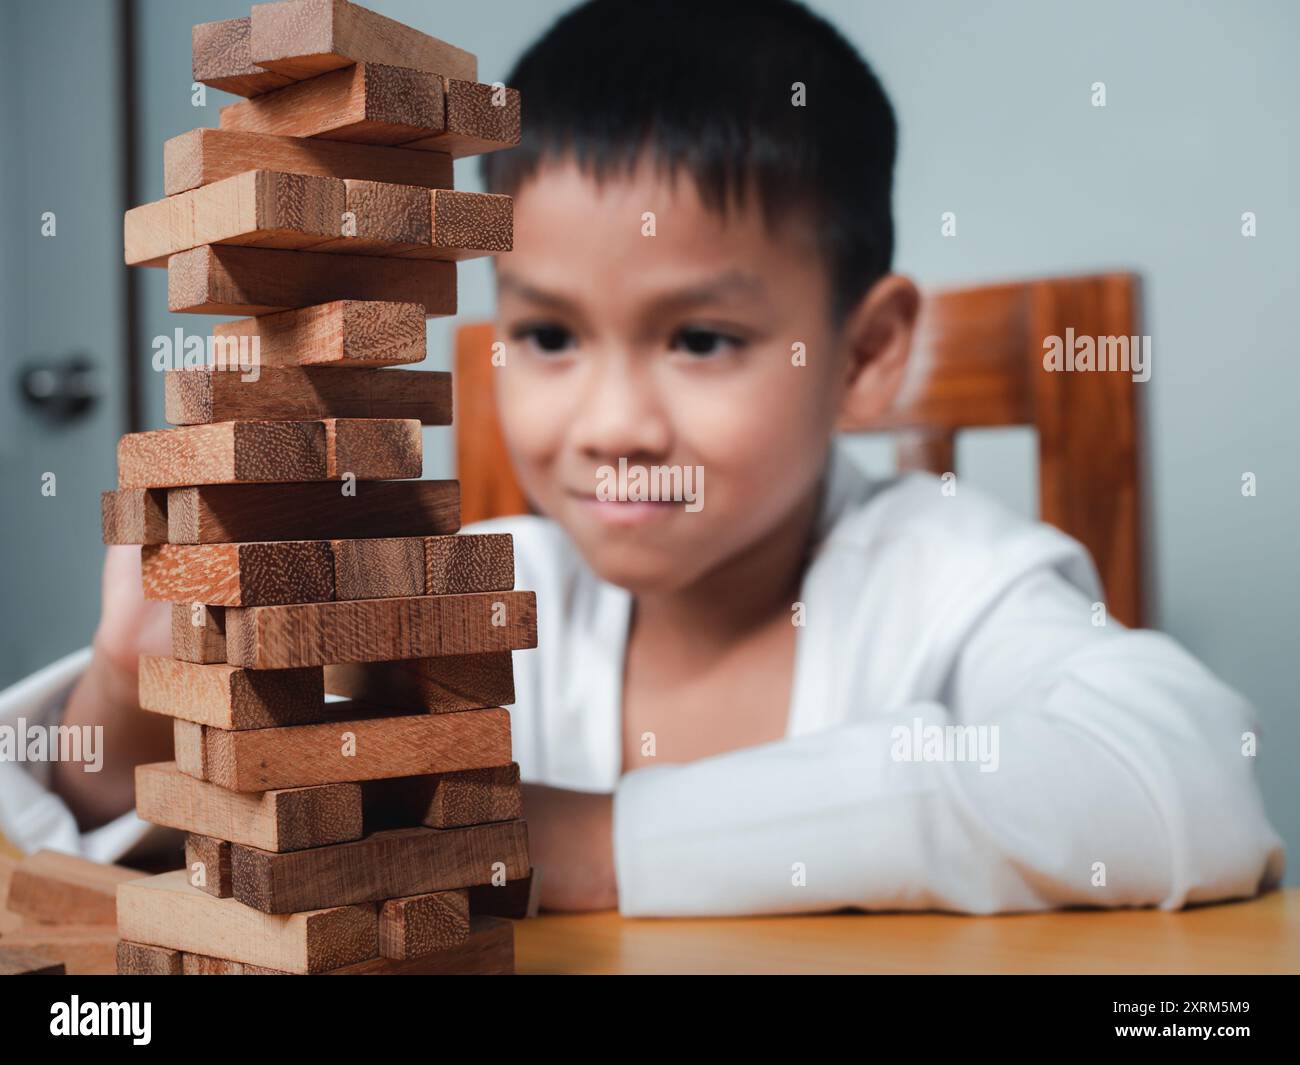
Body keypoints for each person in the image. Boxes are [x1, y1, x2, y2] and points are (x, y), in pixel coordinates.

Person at [0, 0, 1282, 916]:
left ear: (864, 353)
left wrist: (593, 842)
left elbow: (1181, 788)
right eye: (551, 333)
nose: (612, 421)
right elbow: (110, 815)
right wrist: (126, 691)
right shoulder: (496, 588)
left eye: (702, 338)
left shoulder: (948, 573)